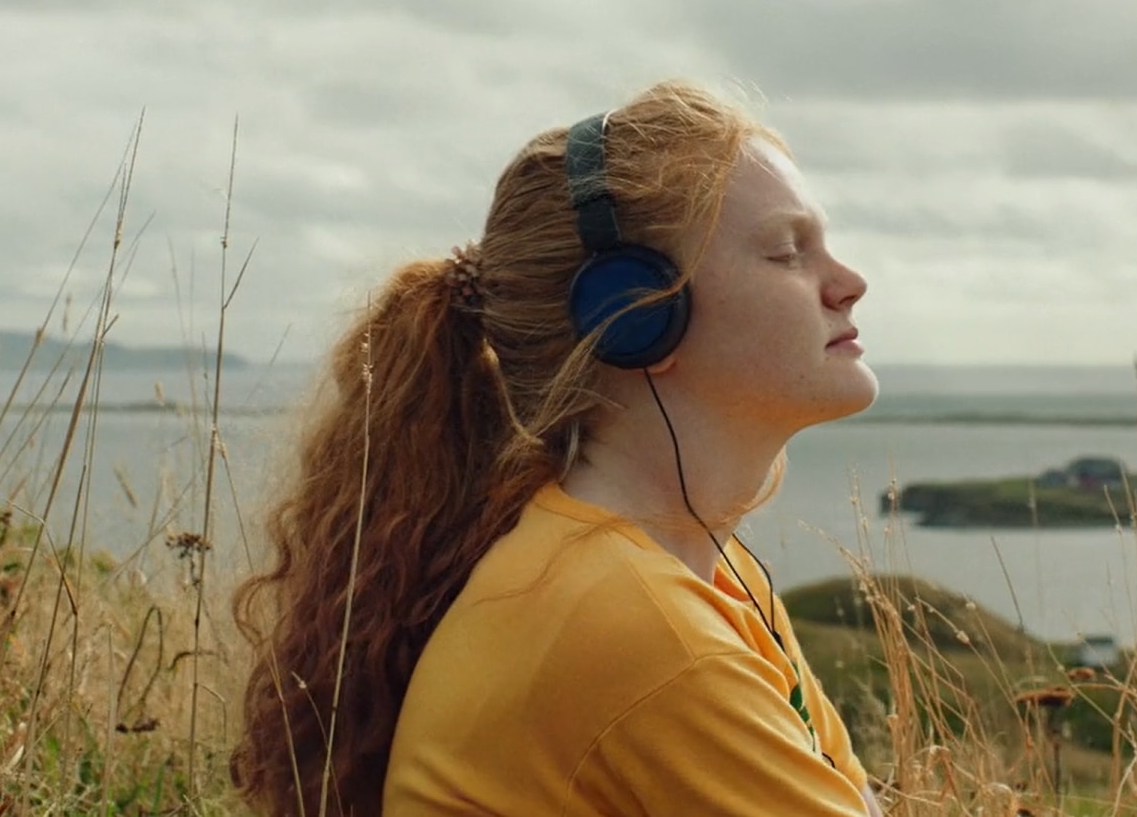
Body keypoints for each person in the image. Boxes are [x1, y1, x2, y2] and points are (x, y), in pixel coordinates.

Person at [231, 80, 885, 816]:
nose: (849, 284)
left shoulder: (705, 577)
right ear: (636, 315)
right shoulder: (636, 627)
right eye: (788, 252)